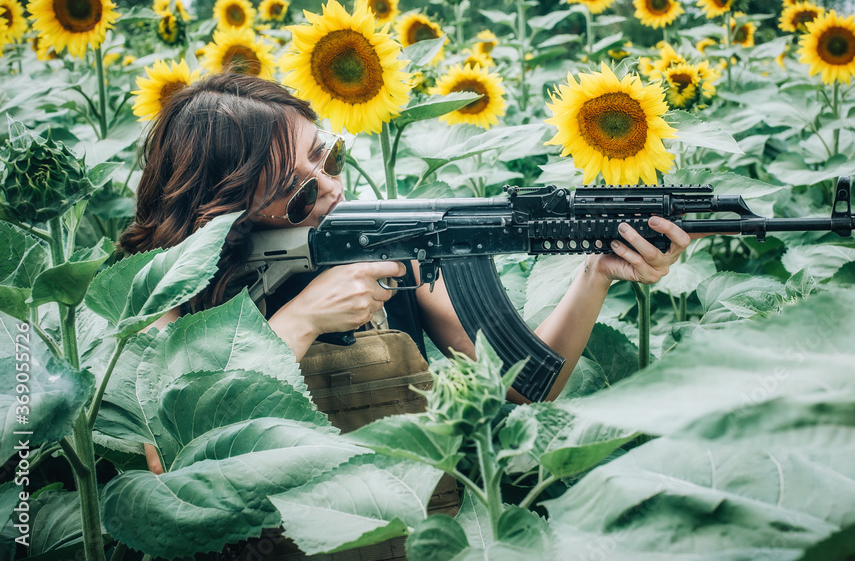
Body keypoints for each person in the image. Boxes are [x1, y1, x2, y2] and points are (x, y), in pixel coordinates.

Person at [120, 72, 692, 473]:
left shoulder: (391, 249)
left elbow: (524, 391)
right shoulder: (159, 292)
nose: (333, 189)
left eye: (330, 156)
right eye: (298, 195)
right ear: (223, 211)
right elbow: (171, 457)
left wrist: (596, 272)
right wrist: (304, 319)